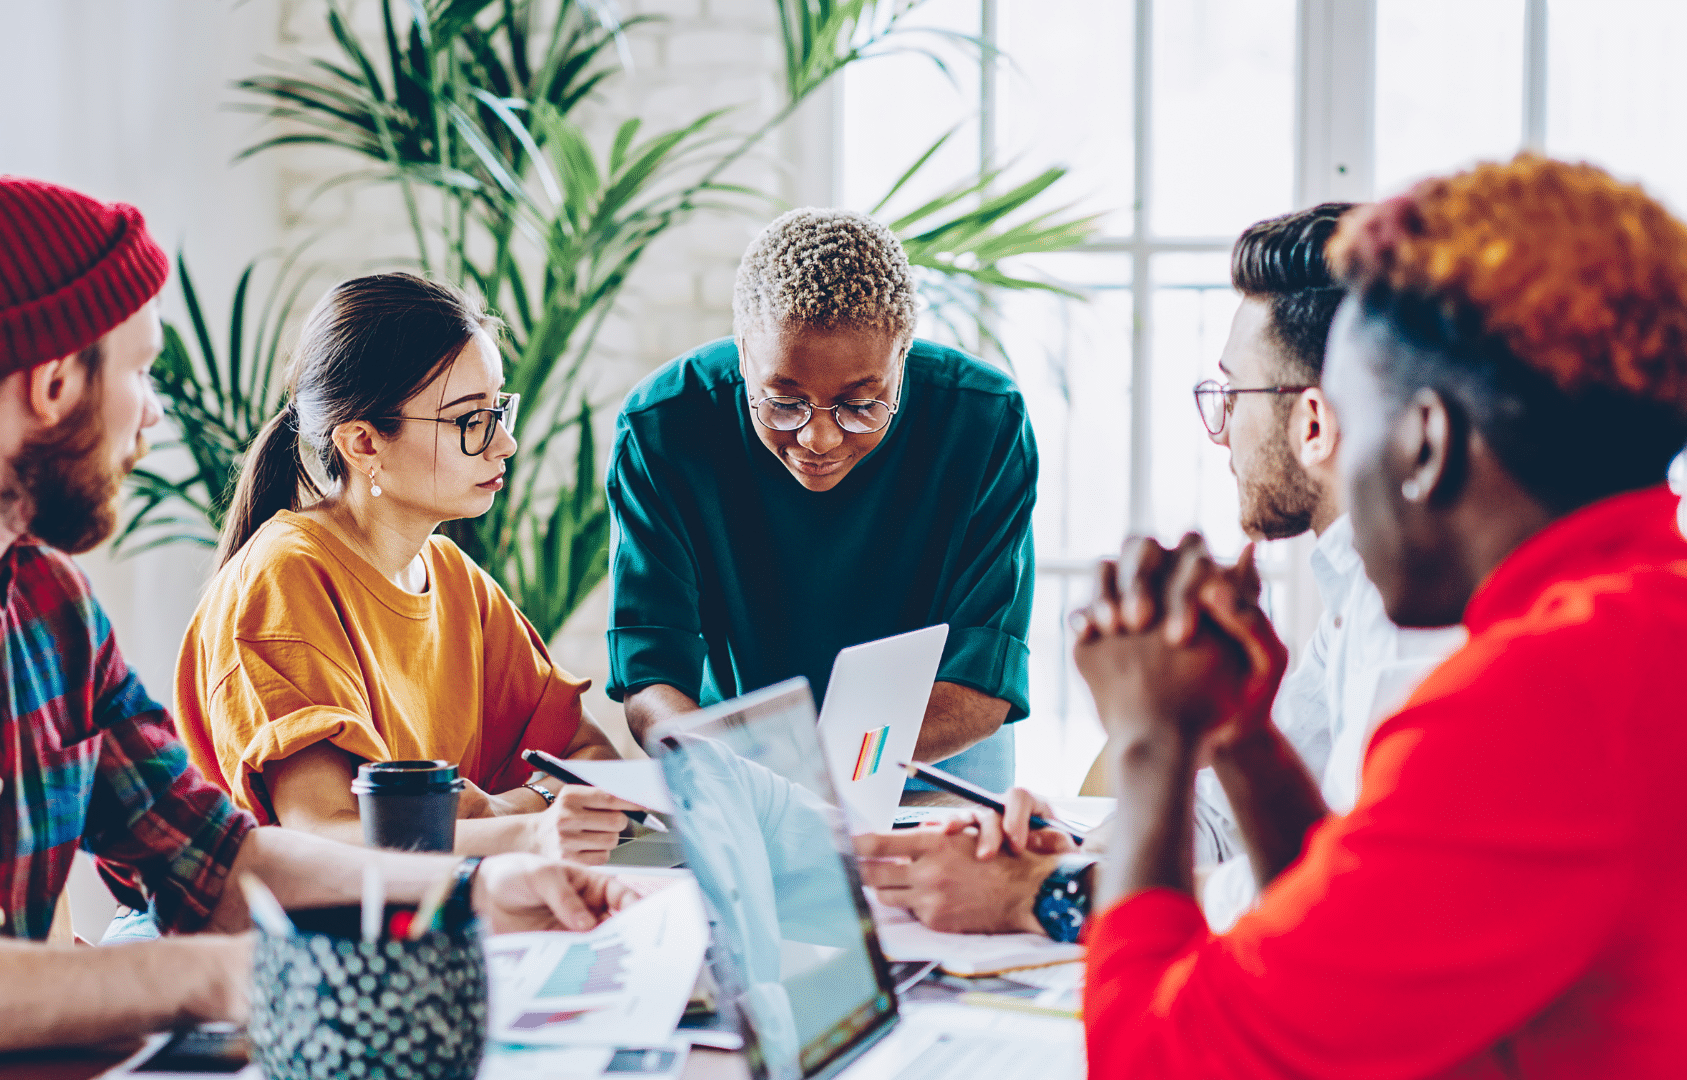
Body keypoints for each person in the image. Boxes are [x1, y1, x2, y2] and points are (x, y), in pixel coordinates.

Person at [0, 177, 631, 1079]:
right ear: (55, 381)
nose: (152, 412)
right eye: (139, 371)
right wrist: (217, 977)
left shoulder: (49, 605)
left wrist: (481, 889)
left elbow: (221, 865)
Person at [1078, 156, 1687, 1077]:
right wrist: (1244, 736)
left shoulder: (1540, 697)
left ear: (1425, 443)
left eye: (1351, 423)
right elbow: (1369, 958)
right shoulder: (1638, 619)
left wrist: (1151, 741)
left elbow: (1151, 1057)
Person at [857, 203, 1461, 934]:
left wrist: (1043, 897)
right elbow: (1228, 826)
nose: (1220, 434)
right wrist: (1073, 856)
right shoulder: (1356, 596)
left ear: (1311, 421)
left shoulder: (1419, 636)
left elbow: (1361, 912)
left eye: (1232, 396)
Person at [175, 273, 642, 866]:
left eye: (499, 410)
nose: (504, 445)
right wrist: (529, 827)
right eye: (471, 421)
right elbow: (319, 838)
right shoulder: (285, 577)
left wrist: (508, 808)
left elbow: (594, 762)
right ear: (364, 443)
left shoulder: (453, 577)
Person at [608, 208, 1038, 791]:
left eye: (862, 405)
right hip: (741, 752)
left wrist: (814, 768)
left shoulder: (984, 420)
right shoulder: (664, 426)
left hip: (936, 747)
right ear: (742, 353)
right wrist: (729, 766)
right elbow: (650, 668)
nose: (820, 438)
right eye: (783, 401)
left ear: (902, 356)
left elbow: (983, 678)